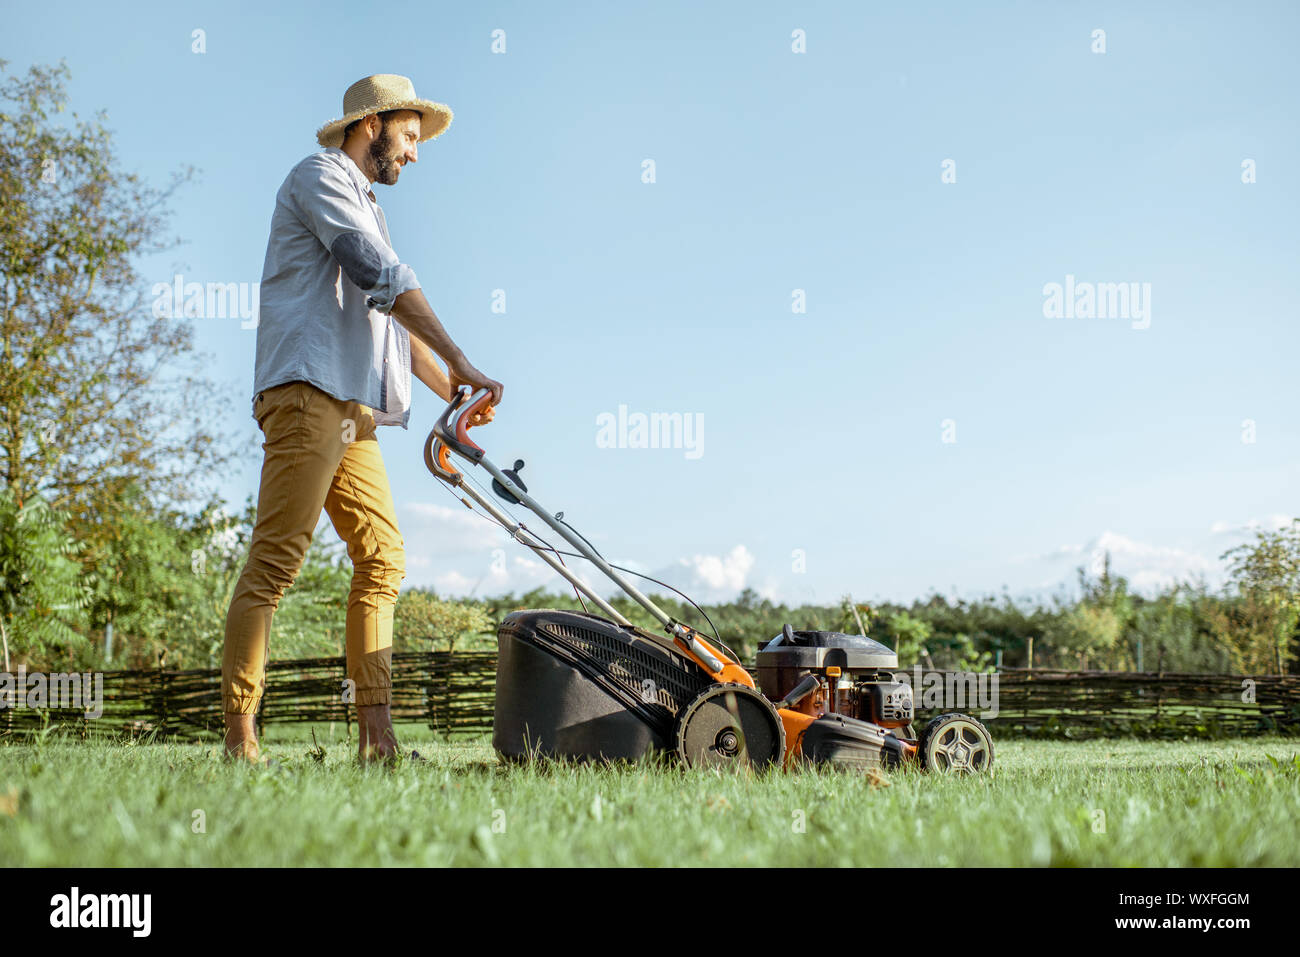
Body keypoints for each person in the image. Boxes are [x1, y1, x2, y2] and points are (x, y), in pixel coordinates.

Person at [221, 74, 503, 762]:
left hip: (352, 407)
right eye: (409, 136)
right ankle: (239, 736)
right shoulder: (318, 176)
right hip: (305, 389)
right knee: (277, 561)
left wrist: (450, 388)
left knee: (382, 557)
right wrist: (461, 355)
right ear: (371, 125)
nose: (415, 153)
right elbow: (380, 274)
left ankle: (377, 740)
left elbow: (392, 328)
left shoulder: (369, 203)